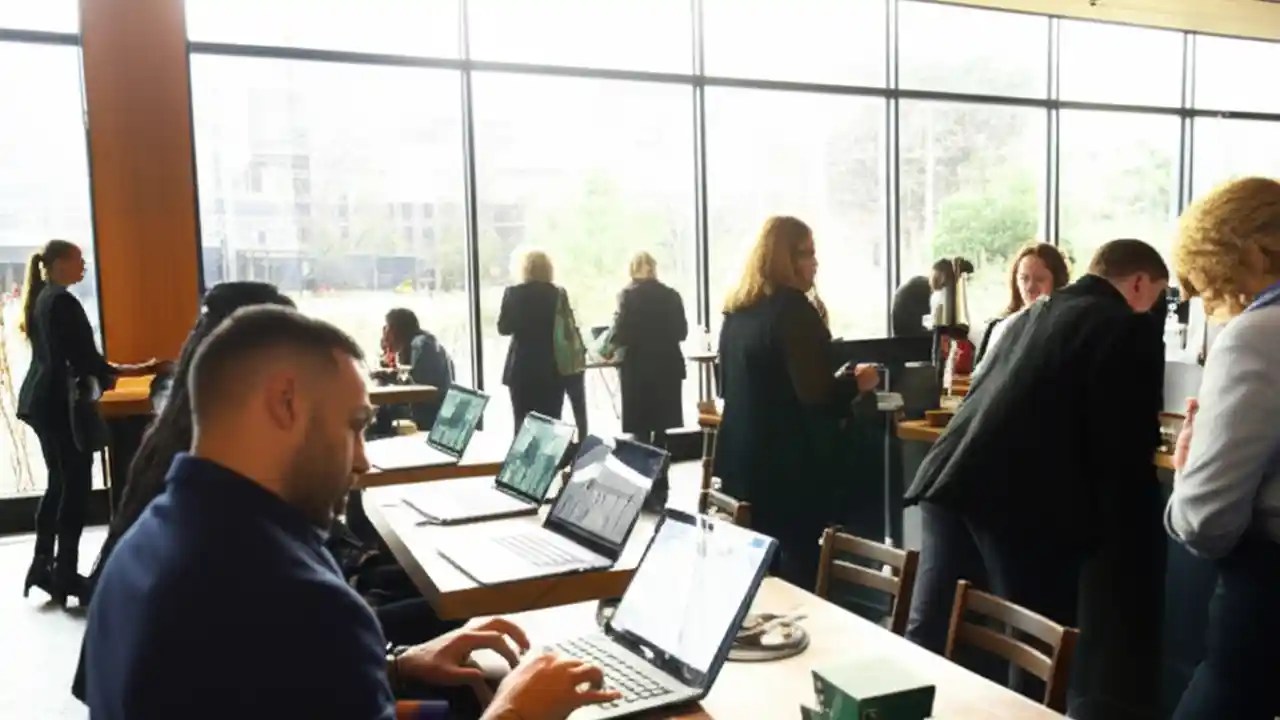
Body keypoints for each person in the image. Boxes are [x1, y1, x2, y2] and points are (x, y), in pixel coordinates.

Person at [84, 306, 618, 719]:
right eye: (355, 425)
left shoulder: (143, 546)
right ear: (286, 403)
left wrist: (393, 666)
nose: (362, 459)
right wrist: (519, 709)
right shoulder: (303, 604)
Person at [904, 239, 1167, 713]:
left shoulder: (1034, 312)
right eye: (1155, 297)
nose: (1152, 309)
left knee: (940, 627)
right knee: (1034, 641)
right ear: (1139, 283)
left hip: (949, 477)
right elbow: (1124, 436)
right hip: (1015, 498)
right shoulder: (1122, 325)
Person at [1165, 177, 1280, 720]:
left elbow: (1207, 523)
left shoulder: (1258, 334)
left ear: (1255, 253)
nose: (1213, 300)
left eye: (1216, 282)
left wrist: (1187, 468)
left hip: (1265, 606)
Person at [714, 216, 879, 589]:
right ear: (784, 258)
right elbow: (815, 395)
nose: (815, 263)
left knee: (760, 577)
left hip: (741, 463)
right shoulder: (792, 310)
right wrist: (858, 383)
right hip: (787, 469)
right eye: (807, 253)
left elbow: (738, 385)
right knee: (799, 573)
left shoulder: (737, 312)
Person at [15, 239, 160, 606]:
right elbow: (87, 361)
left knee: (58, 484)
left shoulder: (42, 298)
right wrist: (141, 370)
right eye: (79, 260)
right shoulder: (63, 302)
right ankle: (65, 574)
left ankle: (44, 564)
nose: (84, 266)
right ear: (61, 263)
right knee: (74, 487)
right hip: (62, 407)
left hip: (41, 402)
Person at [611, 251, 688, 451]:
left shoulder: (626, 296)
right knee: (662, 427)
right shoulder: (671, 295)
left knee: (640, 429)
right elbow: (682, 332)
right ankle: (663, 475)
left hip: (638, 368)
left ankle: (645, 475)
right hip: (667, 366)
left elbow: (622, 334)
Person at [498, 249, 564, 432]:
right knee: (550, 427)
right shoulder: (558, 294)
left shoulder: (513, 293)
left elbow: (503, 328)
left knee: (522, 424)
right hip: (552, 367)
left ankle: (522, 460)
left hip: (521, 367)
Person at [975, 242, 1070, 364]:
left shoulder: (1068, 333)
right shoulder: (996, 327)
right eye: (1024, 278)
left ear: (1058, 282)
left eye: (1040, 279)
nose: (1030, 287)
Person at [373, 308, 455, 433]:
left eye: (387, 327)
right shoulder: (420, 343)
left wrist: (390, 375)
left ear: (397, 329)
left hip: (429, 417)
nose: (384, 332)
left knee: (377, 418)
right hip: (427, 411)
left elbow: (419, 389)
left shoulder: (422, 345)